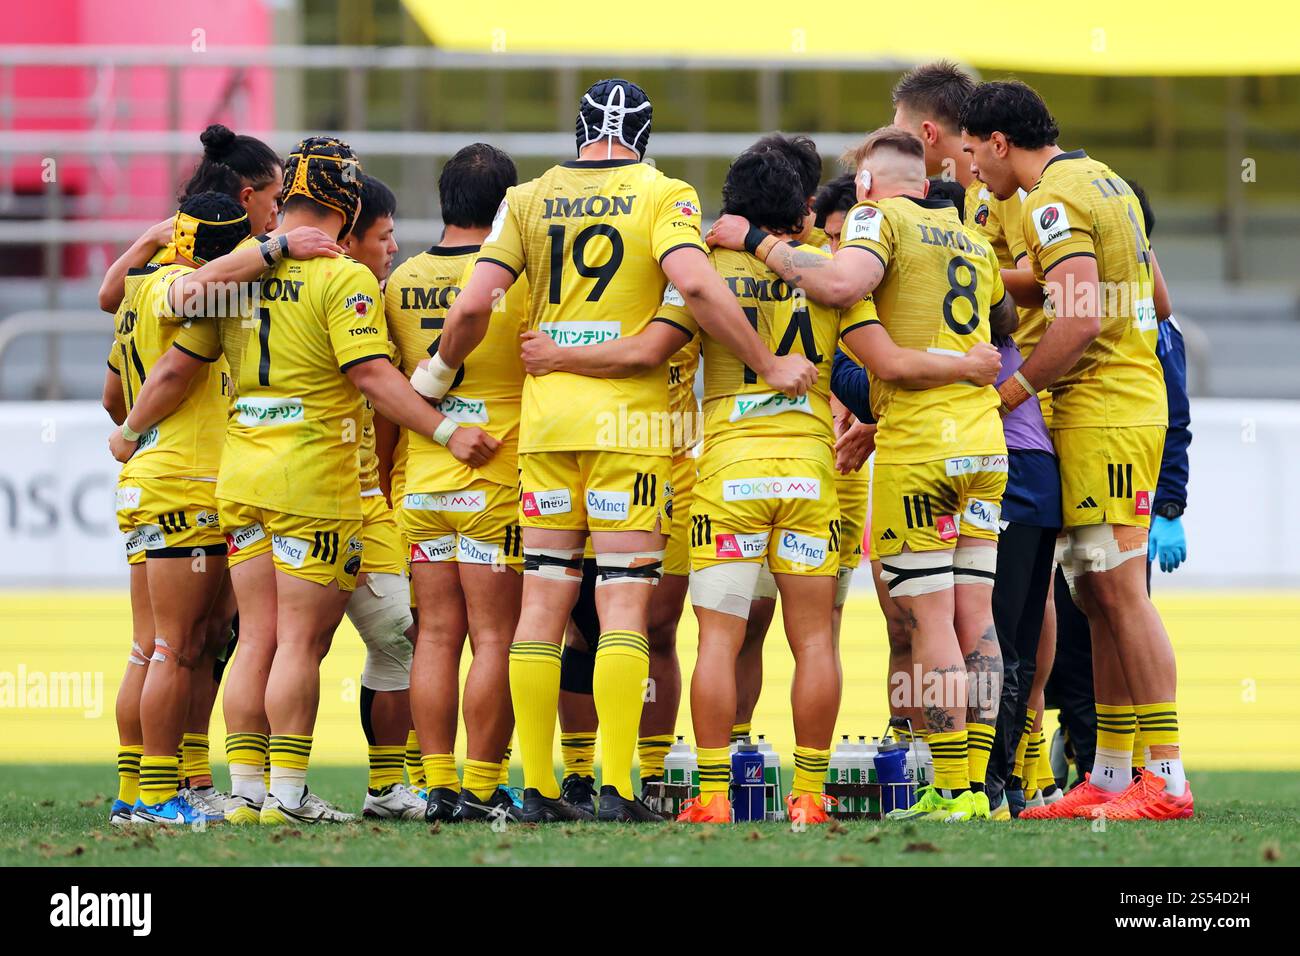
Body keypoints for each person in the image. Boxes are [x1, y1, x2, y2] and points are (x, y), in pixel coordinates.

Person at [525, 143, 1001, 823]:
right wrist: (967, 365)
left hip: (728, 476)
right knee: (813, 641)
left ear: (731, 208)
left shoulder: (707, 270)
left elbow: (649, 350)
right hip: (811, 476)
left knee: (717, 641)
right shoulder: (828, 274)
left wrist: (560, 355)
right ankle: (809, 797)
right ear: (803, 213)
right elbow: (888, 362)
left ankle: (715, 798)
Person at [422, 78, 817, 823]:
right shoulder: (665, 194)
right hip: (628, 434)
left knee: (542, 602)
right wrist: (767, 364)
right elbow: (697, 288)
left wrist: (440, 373)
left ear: (578, 134)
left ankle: (536, 789)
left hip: (545, 429)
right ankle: (617, 788)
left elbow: (473, 304)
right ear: (643, 136)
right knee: (624, 603)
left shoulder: (528, 197)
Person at [961, 80, 1193, 820]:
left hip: (1104, 412)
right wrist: (992, 278)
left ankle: (1167, 779)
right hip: (1117, 406)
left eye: (974, 155)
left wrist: (1010, 391)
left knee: (1120, 593)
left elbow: (1082, 316)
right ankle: (1113, 773)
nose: (972, 174)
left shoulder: (1050, 199)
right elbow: (1154, 299)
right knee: (1095, 594)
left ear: (1000, 143)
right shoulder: (1105, 180)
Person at [385, 144, 530, 823]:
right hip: (497, 473)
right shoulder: (516, 278)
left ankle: (436, 785)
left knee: (436, 634)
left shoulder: (399, 280)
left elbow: (387, 390)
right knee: (495, 638)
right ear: (508, 206)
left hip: (422, 478)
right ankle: (482, 785)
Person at [104, 191, 252, 825]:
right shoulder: (182, 292)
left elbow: (113, 390)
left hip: (150, 480)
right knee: (175, 648)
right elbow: (199, 298)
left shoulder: (139, 293)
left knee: (151, 646)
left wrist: (137, 435)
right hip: (184, 486)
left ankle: (135, 792)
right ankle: (162, 798)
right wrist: (274, 250)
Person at [337, 174, 425, 821]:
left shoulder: (372, 295)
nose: (392, 247)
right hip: (328, 497)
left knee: (399, 637)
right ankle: (259, 789)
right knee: (280, 645)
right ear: (351, 237)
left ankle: (386, 787)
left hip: (360, 500)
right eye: (384, 235)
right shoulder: (352, 293)